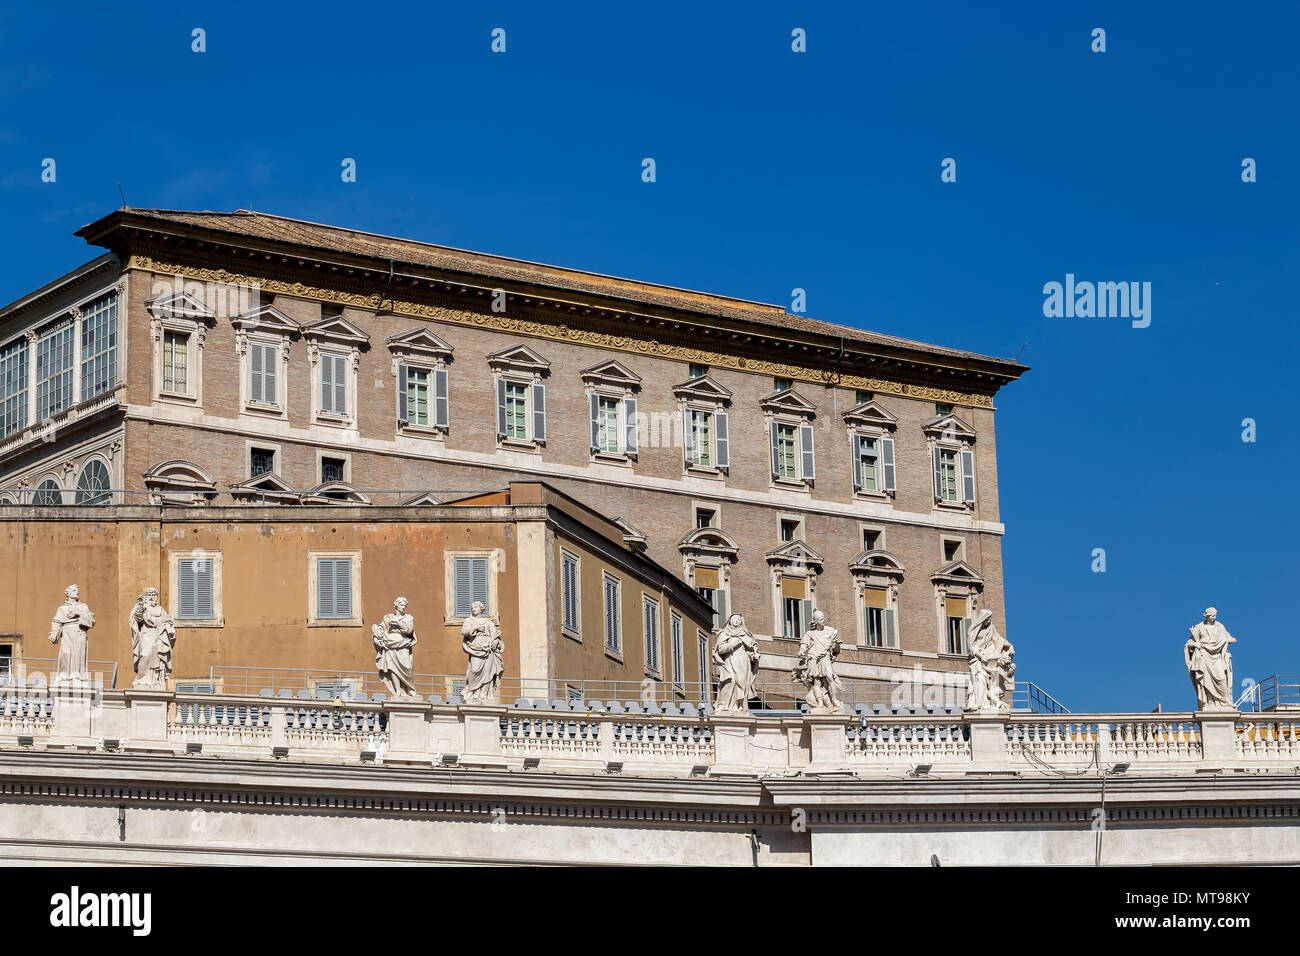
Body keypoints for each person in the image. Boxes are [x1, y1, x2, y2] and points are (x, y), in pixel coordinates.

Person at [1185, 607, 1236, 710]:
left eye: (1215, 615)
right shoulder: (1199, 627)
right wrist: (1196, 644)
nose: (1214, 617)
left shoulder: (1220, 626)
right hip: (1204, 655)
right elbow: (1189, 643)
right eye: (1212, 616)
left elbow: (1228, 637)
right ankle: (1209, 702)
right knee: (1205, 680)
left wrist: (1229, 639)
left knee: (1221, 678)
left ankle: (1225, 701)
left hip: (1217, 656)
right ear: (1207, 616)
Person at [794, 609, 843, 713]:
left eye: (824, 618)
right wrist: (802, 651)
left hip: (825, 657)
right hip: (813, 658)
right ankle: (820, 703)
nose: (823, 620)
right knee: (816, 681)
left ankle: (834, 700)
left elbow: (836, 649)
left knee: (830, 677)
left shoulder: (831, 631)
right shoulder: (810, 634)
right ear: (815, 621)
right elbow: (804, 645)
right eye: (821, 619)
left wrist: (837, 644)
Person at [965, 609, 1014, 712]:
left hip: (989, 658)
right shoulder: (972, 630)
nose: (989, 620)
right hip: (977, 659)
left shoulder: (990, 628)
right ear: (983, 618)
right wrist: (980, 655)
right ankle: (979, 704)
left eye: (990, 619)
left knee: (986, 681)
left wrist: (1010, 646)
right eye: (988, 618)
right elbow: (971, 648)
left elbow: (998, 639)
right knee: (980, 678)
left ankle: (985, 704)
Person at [371, 596, 418, 699]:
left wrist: (398, 623)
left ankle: (410, 688)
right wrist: (377, 639)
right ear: (396, 605)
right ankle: (397, 691)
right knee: (393, 668)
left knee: (407, 667)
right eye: (401, 605)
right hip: (390, 644)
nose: (403, 607)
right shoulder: (387, 617)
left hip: (403, 643)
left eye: (405, 605)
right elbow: (380, 629)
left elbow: (409, 630)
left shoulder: (408, 618)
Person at [129, 587, 176, 688]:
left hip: (159, 634)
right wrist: (140, 605)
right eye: (149, 595)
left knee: (158, 656)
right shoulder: (142, 606)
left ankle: (156, 680)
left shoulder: (160, 609)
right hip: (146, 634)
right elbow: (137, 618)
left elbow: (167, 620)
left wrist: (169, 627)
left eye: (153, 595)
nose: (151, 597)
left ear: (156, 597)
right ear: (146, 596)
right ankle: (141, 678)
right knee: (145, 654)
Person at [47, 584, 95, 684]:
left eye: (77, 591)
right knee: (65, 654)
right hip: (66, 633)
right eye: (74, 590)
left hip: (79, 632)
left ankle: (77, 676)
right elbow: (56, 621)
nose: (77, 592)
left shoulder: (83, 607)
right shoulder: (62, 609)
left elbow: (91, 621)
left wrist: (78, 613)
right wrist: (54, 633)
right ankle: (64, 676)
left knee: (78, 655)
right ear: (68, 593)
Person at [712, 613, 758, 714]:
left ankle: (739, 706)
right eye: (735, 619)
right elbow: (720, 649)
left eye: (739, 619)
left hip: (743, 662)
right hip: (730, 660)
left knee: (741, 682)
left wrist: (754, 657)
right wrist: (732, 644)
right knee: (730, 680)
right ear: (730, 621)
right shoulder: (724, 633)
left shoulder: (745, 635)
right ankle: (723, 705)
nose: (737, 621)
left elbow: (750, 651)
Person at [461, 601, 504, 704]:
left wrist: (496, 642)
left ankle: (484, 695)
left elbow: (497, 637)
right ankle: (471, 692)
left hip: (489, 649)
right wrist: (476, 627)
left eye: (476, 607)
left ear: (481, 609)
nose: (473, 608)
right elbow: (464, 631)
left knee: (488, 672)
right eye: (472, 607)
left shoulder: (489, 623)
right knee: (474, 670)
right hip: (476, 648)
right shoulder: (469, 620)